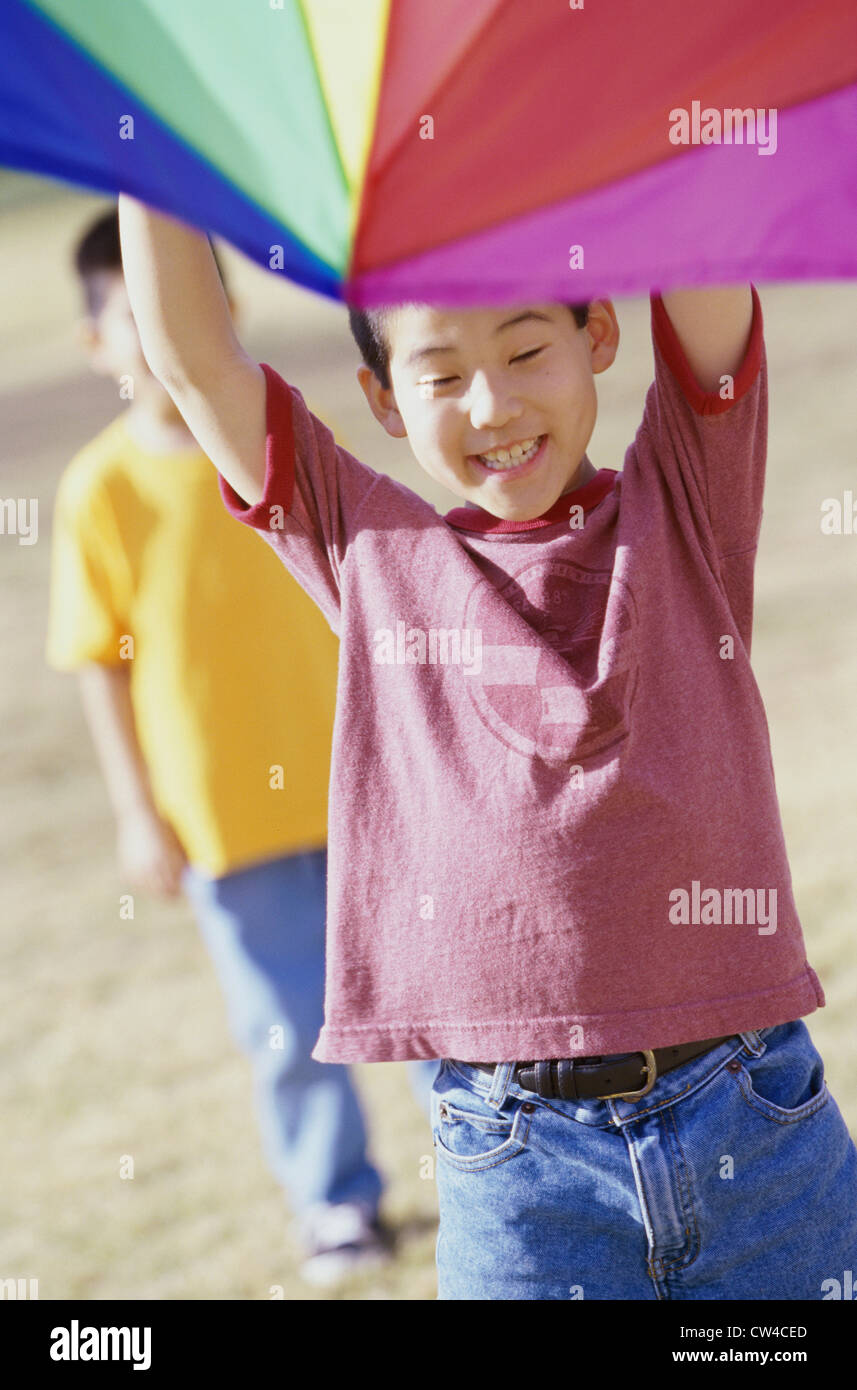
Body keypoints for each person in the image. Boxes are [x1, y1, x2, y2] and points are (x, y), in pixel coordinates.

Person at [116, 192, 857, 1300]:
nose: (492, 401)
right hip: (516, 1167)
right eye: (440, 373)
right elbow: (192, 359)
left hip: (751, 1123)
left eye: (525, 349)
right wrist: (136, 131)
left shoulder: (685, 504)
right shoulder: (368, 551)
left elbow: (708, 255)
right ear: (380, 399)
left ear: (597, 334)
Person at [45, 206, 439, 1289]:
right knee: (285, 1022)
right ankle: (334, 1204)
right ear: (99, 342)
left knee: (417, 983)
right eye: (134, 315)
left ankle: (474, 1150)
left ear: (227, 304)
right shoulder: (100, 491)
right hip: (223, 811)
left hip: (357, 779)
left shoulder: (282, 439)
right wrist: (137, 811)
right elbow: (99, 660)